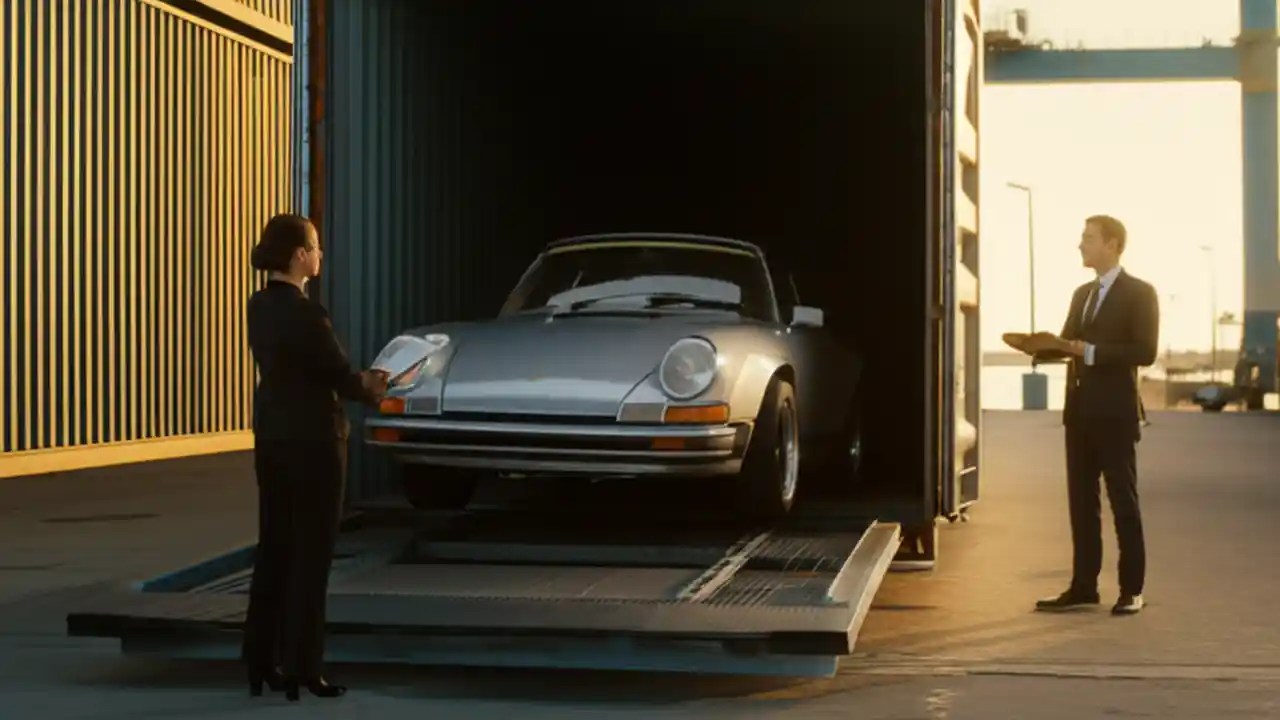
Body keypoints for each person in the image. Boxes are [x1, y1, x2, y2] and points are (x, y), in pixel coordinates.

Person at [240, 213, 388, 700]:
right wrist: (376, 384)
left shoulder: (258, 306)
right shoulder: (309, 315)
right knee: (312, 555)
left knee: (274, 547)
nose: (321, 254)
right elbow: (342, 377)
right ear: (300, 255)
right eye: (316, 246)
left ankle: (260, 661)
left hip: (273, 438)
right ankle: (305, 666)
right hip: (316, 443)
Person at [1034, 214, 1158, 616]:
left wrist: (1090, 352)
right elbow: (1068, 342)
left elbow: (1145, 351)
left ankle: (1132, 590)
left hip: (1116, 414)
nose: (1080, 244)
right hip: (1079, 413)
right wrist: (1037, 347)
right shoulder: (1081, 294)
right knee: (1081, 504)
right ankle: (1084, 587)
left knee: (1123, 502)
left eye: (1088, 238)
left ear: (1113, 244)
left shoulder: (1140, 293)